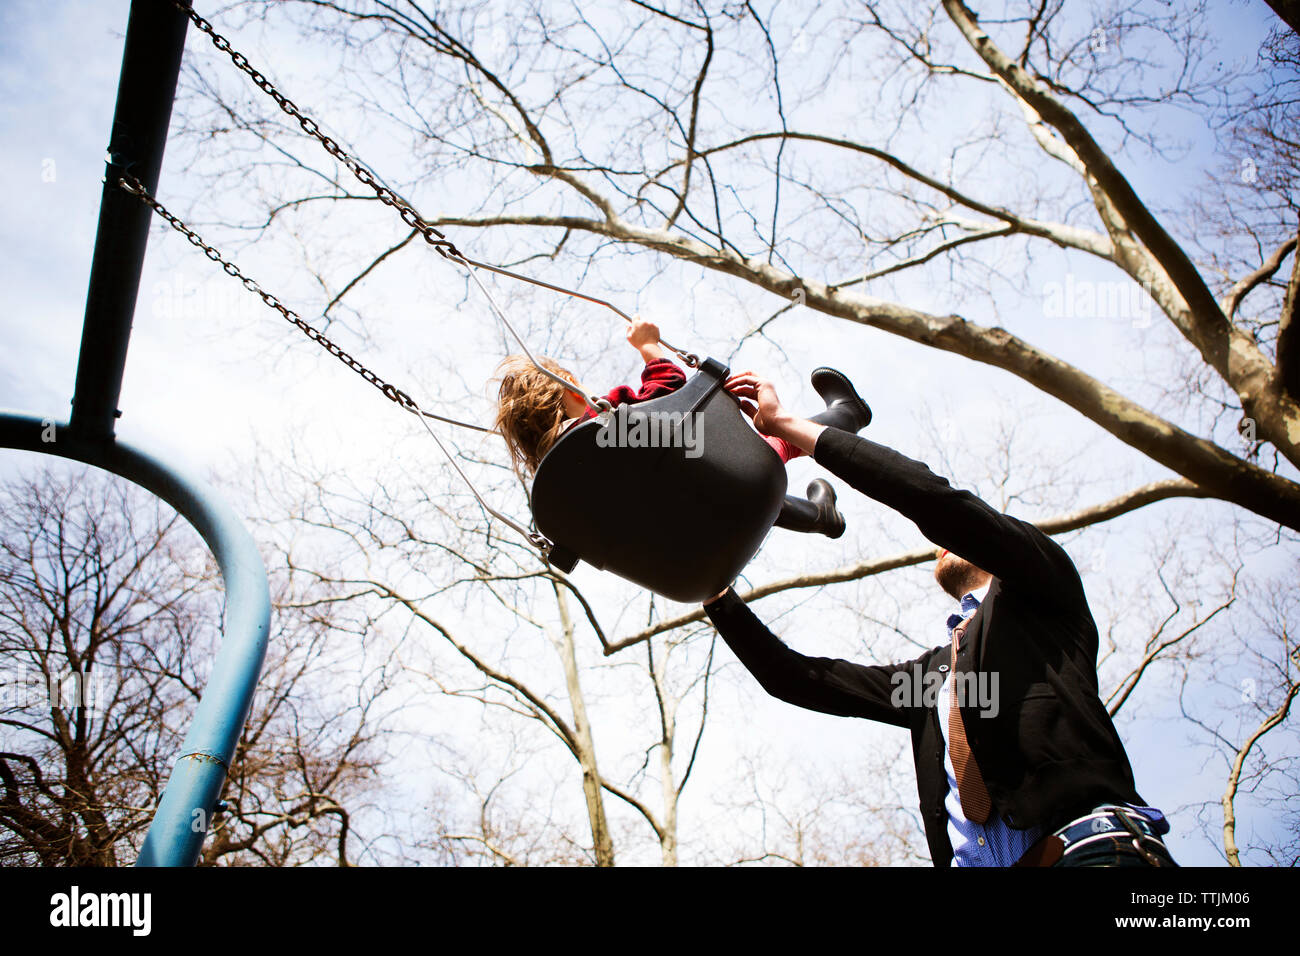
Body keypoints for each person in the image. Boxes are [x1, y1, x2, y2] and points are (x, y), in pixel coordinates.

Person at [702, 370, 1177, 867]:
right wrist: (709, 586)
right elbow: (797, 679)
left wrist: (786, 424)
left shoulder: (1042, 590)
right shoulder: (929, 681)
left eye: (956, 534)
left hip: (1090, 851)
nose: (940, 543)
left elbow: (930, 499)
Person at [492, 318, 874, 538]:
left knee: (716, 493)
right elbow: (668, 391)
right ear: (568, 393)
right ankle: (846, 415)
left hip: (701, 544)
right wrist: (648, 346)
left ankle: (819, 516)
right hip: (731, 479)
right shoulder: (599, 422)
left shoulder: (565, 498)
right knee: (748, 457)